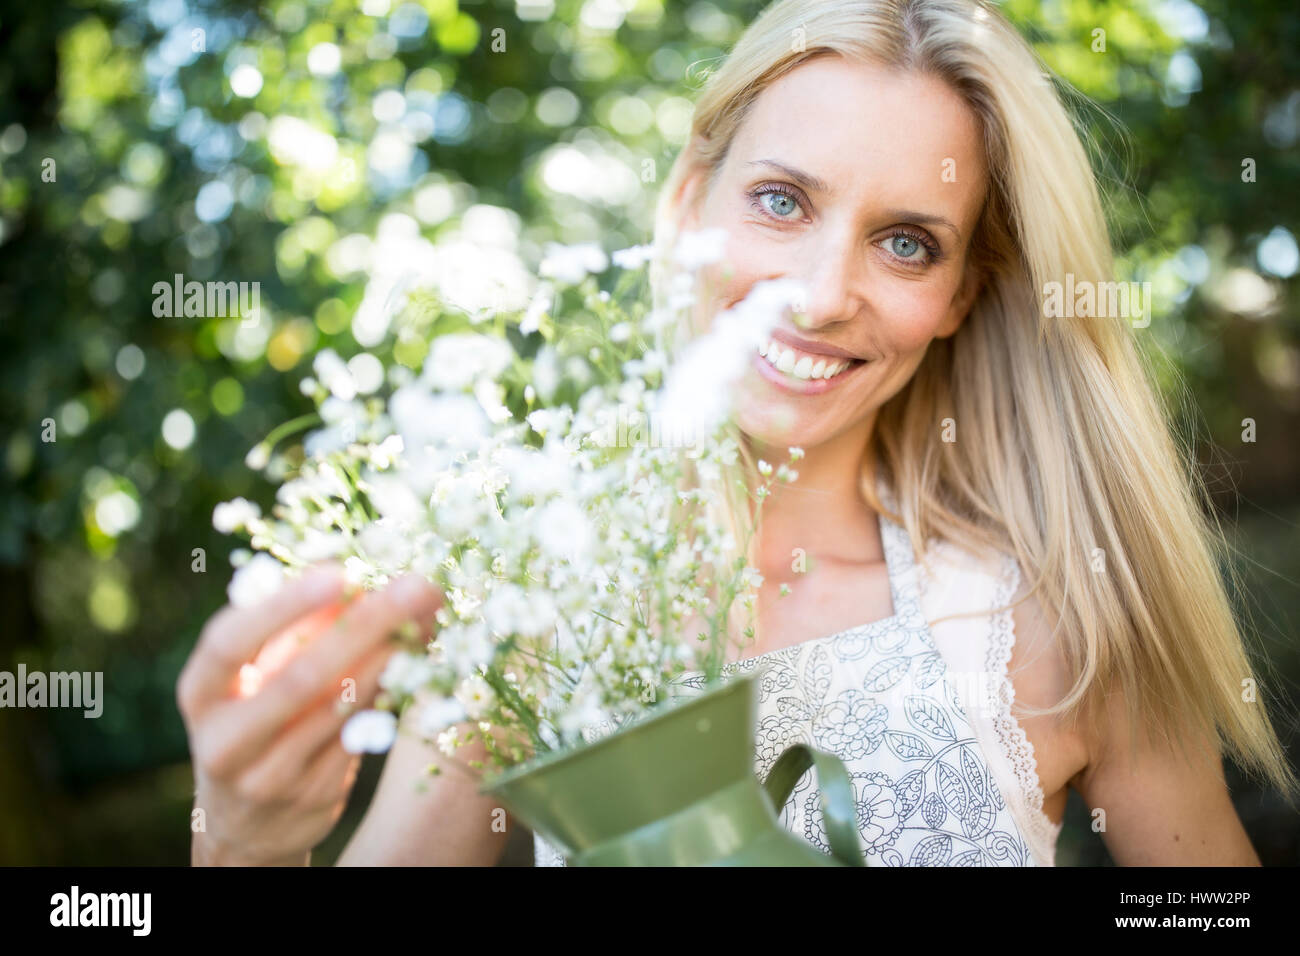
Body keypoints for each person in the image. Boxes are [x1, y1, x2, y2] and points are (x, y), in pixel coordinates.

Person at [178, 0, 1297, 867]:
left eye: (905, 242)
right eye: (780, 200)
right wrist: (244, 846)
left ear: (962, 293)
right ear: (687, 203)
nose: (818, 295)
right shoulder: (527, 607)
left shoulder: (1063, 614)